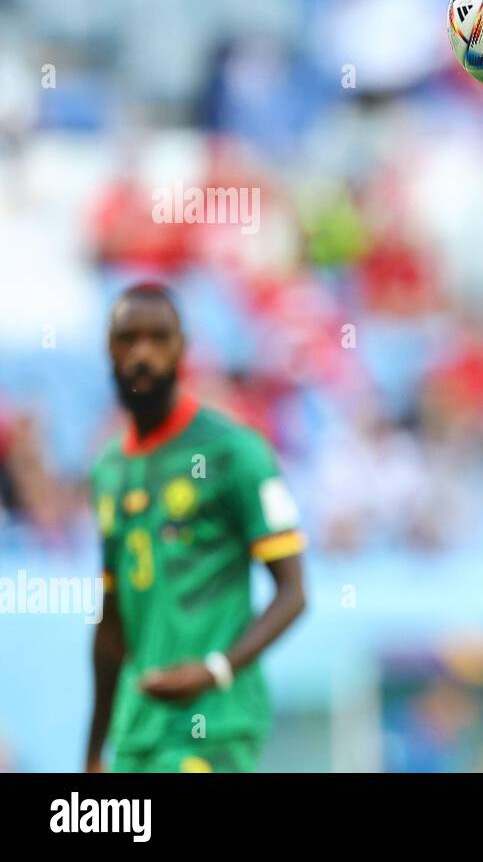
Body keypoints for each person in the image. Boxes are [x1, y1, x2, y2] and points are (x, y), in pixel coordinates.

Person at [86, 283, 307, 772]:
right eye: (128, 338)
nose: (143, 353)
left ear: (183, 348)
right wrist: (92, 749)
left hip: (213, 726)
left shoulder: (235, 453)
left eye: (159, 338)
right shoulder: (108, 471)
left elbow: (294, 593)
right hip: (136, 733)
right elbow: (111, 623)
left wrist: (215, 669)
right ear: (109, 349)